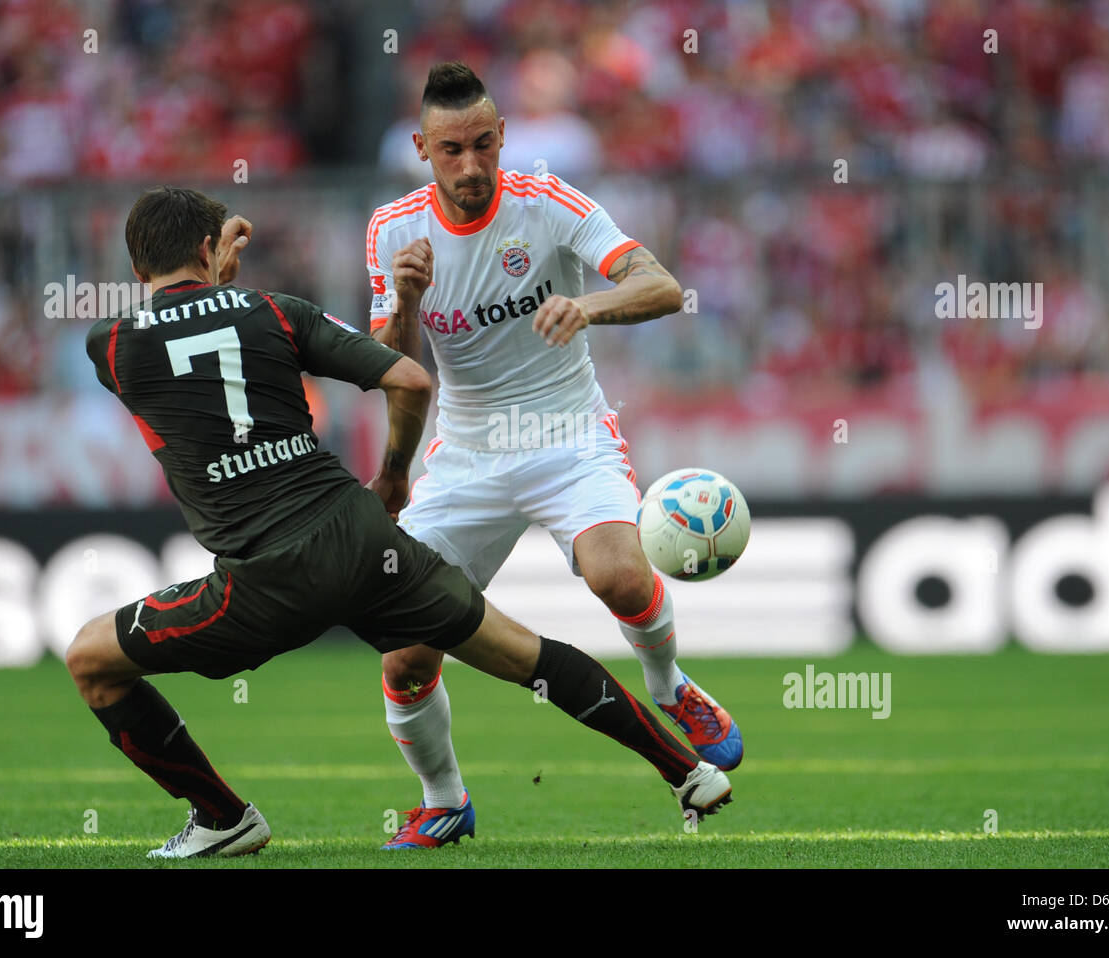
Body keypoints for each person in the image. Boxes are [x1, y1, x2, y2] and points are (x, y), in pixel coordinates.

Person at [64, 186, 733, 859]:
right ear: (211, 249)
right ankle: (690, 774)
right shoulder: (276, 311)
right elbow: (409, 379)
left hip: (263, 581)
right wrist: (392, 472)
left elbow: (187, 338)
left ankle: (222, 816)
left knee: (92, 658)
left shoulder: (110, 344)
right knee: (523, 654)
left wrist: (216, 283)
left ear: (135, 269)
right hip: (363, 538)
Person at [366, 61, 743, 849]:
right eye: (450, 151)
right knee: (403, 654)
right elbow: (391, 366)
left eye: (481, 146)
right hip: (467, 452)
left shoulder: (548, 203)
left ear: (502, 137)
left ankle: (670, 686)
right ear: (421, 149)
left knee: (619, 573)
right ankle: (444, 800)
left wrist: (589, 304)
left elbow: (663, 285)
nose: (469, 167)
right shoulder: (394, 229)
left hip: (567, 433)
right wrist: (402, 301)